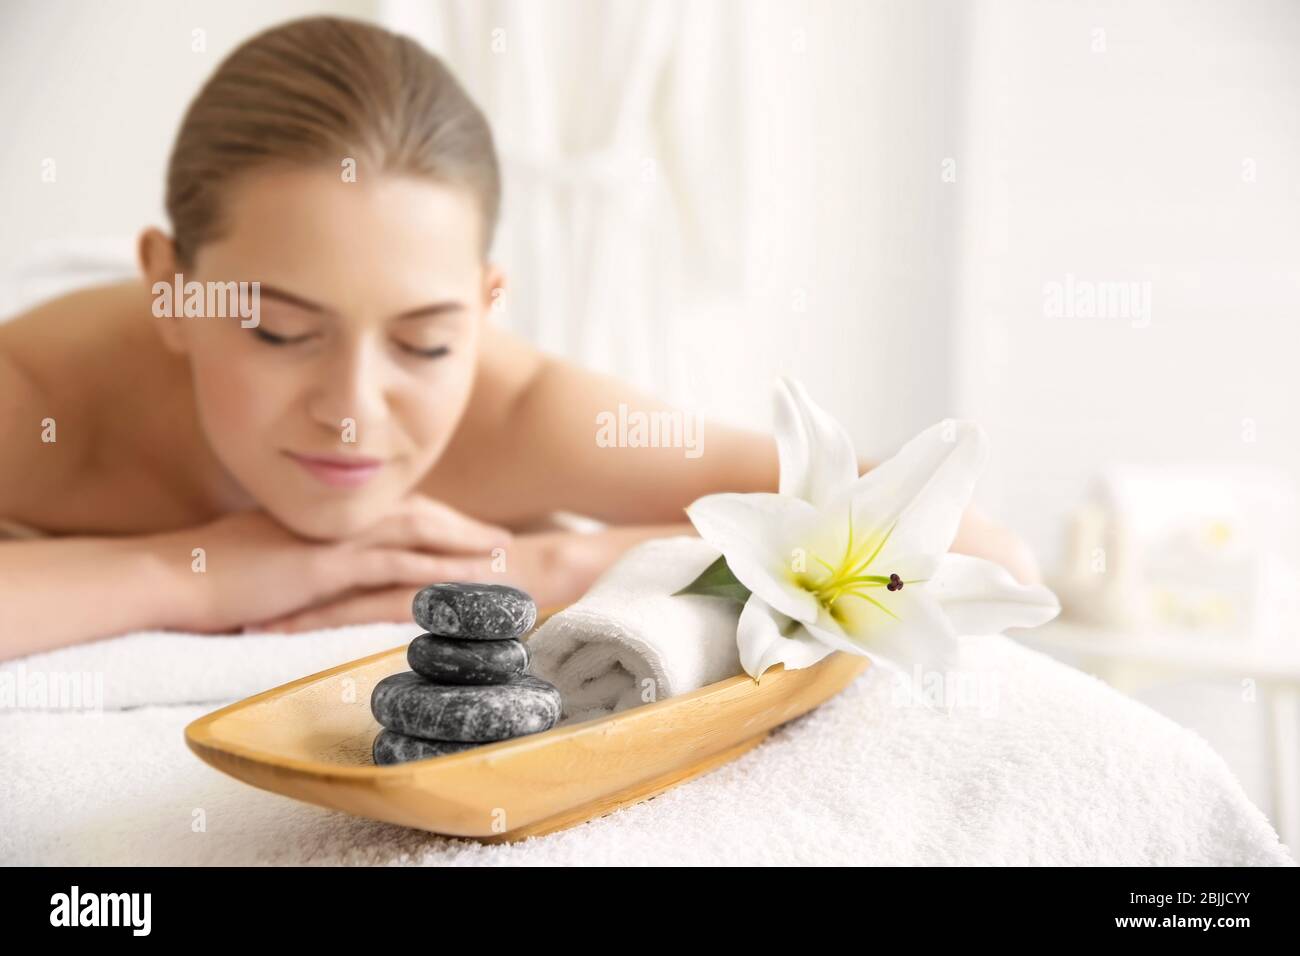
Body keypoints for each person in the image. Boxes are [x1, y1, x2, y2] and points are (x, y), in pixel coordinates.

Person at [0, 16, 1041, 660]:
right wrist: (195, 573)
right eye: (279, 332)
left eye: (423, 343)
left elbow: (982, 548)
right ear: (169, 289)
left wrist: (555, 558)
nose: (353, 409)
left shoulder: (512, 413)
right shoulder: (32, 400)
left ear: (484, 304)